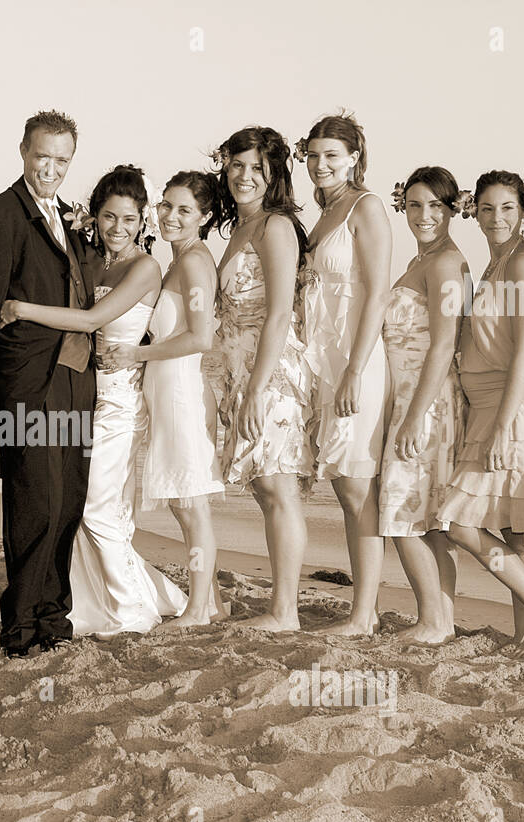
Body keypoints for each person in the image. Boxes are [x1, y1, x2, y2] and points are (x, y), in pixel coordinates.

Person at [0, 165, 187, 638]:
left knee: (98, 509)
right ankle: (92, 600)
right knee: (82, 505)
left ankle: (132, 610)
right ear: (96, 217)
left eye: (128, 219)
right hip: (84, 397)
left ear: (143, 219)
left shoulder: (144, 267)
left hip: (120, 404)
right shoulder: (94, 261)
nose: (117, 228)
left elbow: (90, 320)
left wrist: (19, 308)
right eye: (108, 217)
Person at [0, 109, 97, 657]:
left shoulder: (72, 217)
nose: (52, 168)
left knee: (68, 504)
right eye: (43, 156)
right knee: (34, 505)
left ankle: (53, 619)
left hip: (75, 379)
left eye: (62, 159)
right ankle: (18, 629)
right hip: (26, 383)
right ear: (23, 151)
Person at [437, 170, 524, 653]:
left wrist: (502, 427)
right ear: (475, 212)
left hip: (509, 410)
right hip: (485, 406)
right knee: (515, 530)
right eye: (487, 208)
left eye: (508, 209)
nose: (496, 218)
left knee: (458, 522)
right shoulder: (494, 265)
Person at [105, 172, 227, 627]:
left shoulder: (195, 262)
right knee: (182, 501)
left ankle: (198, 609)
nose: (171, 217)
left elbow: (200, 338)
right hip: (164, 389)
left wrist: (135, 353)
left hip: (182, 392)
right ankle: (210, 601)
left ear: (205, 216)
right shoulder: (176, 262)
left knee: (191, 504)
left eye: (184, 210)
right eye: (167, 206)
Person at [212, 126, 312, 632]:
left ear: (274, 173)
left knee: (278, 486)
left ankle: (285, 612)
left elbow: (279, 314)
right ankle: (282, 605)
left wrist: (254, 390)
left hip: (270, 374)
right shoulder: (238, 228)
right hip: (239, 372)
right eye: (236, 166)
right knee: (263, 487)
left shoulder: (276, 226)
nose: (245, 176)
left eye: (256, 167)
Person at [298, 113, 392, 636]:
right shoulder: (322, 214)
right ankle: (366, 610)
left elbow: (376, 291)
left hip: (357, 359)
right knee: (345, 487)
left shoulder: (366, 207)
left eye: (331, 155)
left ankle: (363, 616)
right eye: (312, 155)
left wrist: (356, 368)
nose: (320, 164)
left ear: (354, 156)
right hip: (324, 360)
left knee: (359, 487)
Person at [380, 167, 468, 644]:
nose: (424, 215)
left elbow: (443, 344)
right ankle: (441, 621)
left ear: (453, 209)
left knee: (398, 513)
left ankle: (433, 621)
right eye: (415, 205)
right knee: (430, 518)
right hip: (411, 398)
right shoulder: (422, 261)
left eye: (436, 205)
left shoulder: (445, 264)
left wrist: (415, 415)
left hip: (426, 401)